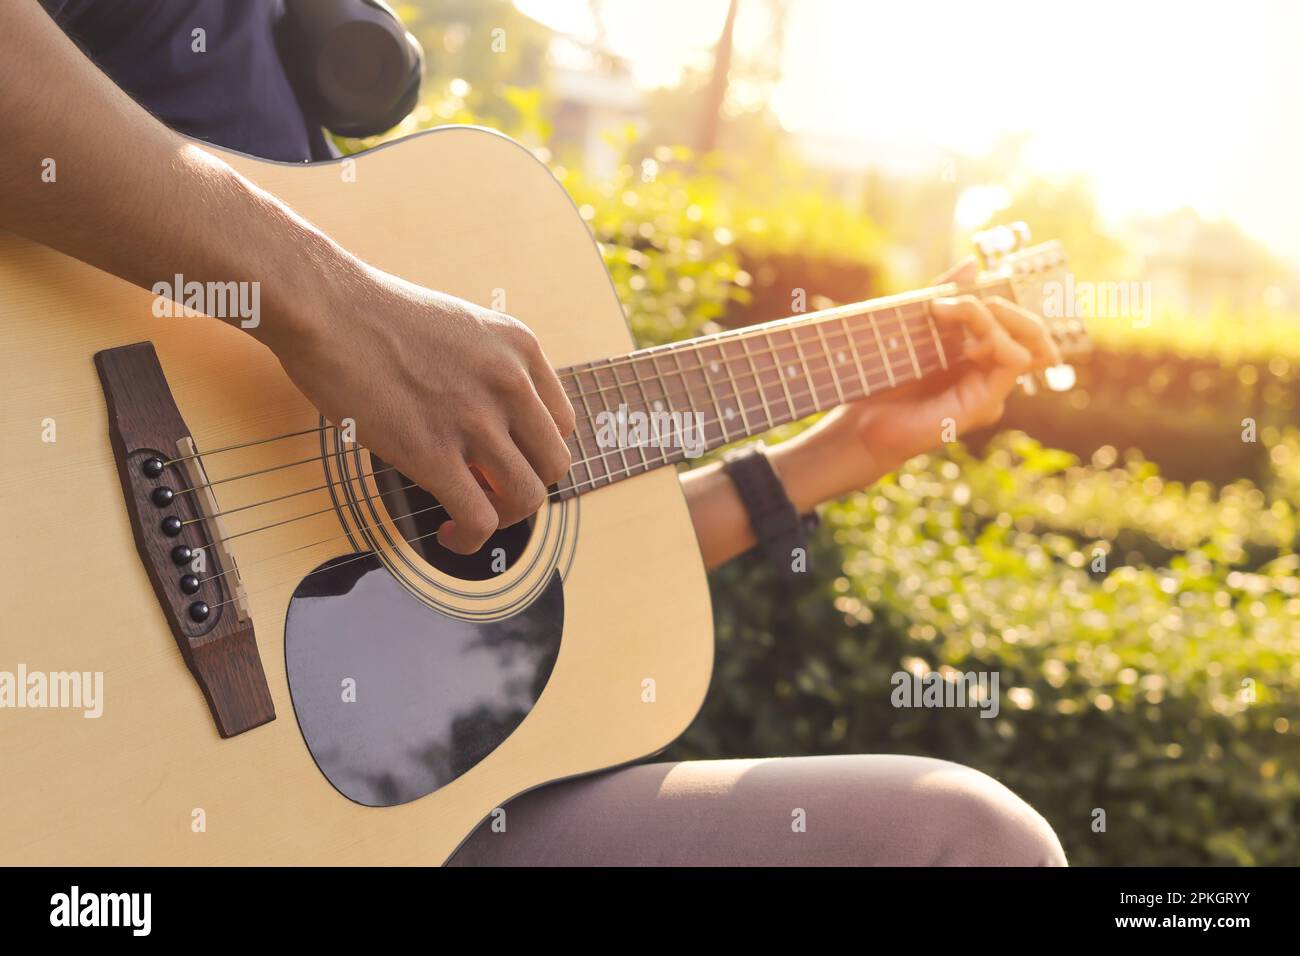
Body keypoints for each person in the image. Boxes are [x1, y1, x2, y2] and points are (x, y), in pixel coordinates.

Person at [2, 0, 1067, 865]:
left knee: (964, 841)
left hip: (350, 820)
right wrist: (336, 309)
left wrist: (831, 454)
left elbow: (437, 598)